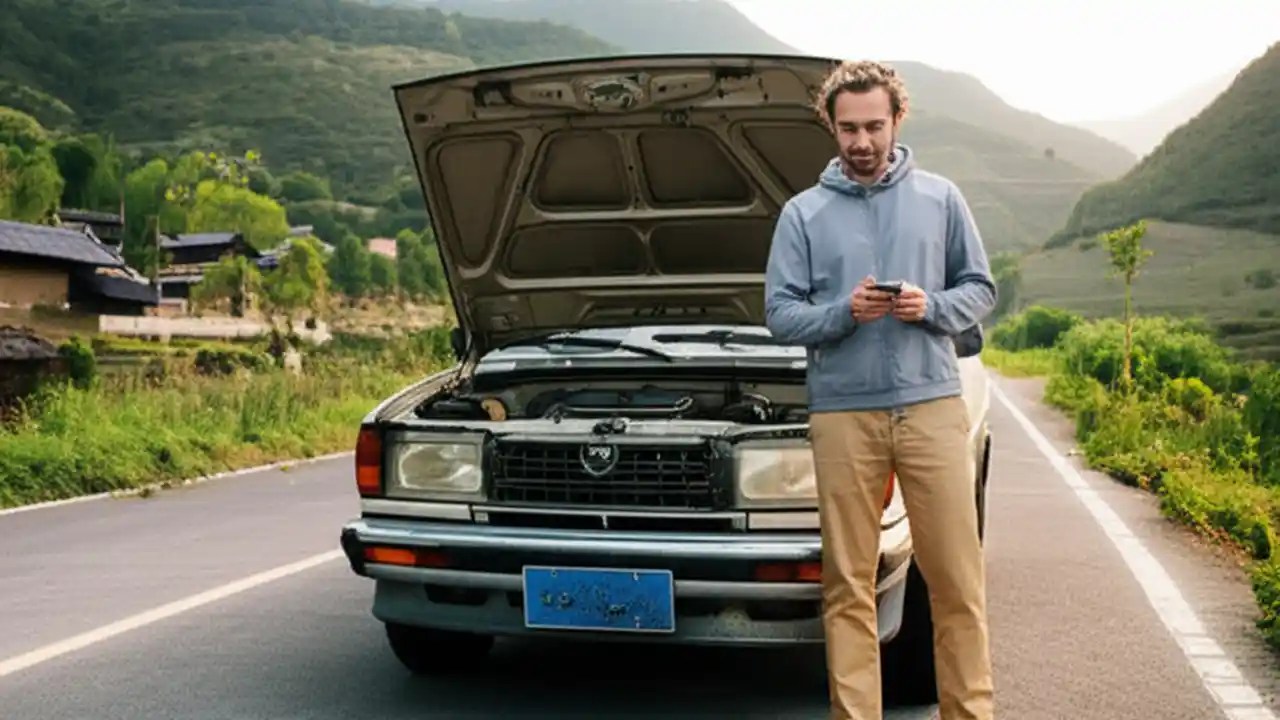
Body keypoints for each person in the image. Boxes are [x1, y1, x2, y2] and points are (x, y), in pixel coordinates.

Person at [763, 59, 997, 720]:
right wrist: (844, 313)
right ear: (829, 128)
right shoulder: (802, 215)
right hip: (843, 415)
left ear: (897, 119)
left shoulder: (941, 198)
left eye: (873, 126)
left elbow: (980, 288)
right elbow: (780, 314)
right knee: (848, 586)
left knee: (956, 582)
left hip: (930, 407)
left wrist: (931, 306)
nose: (861, 142)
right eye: (847, 129)